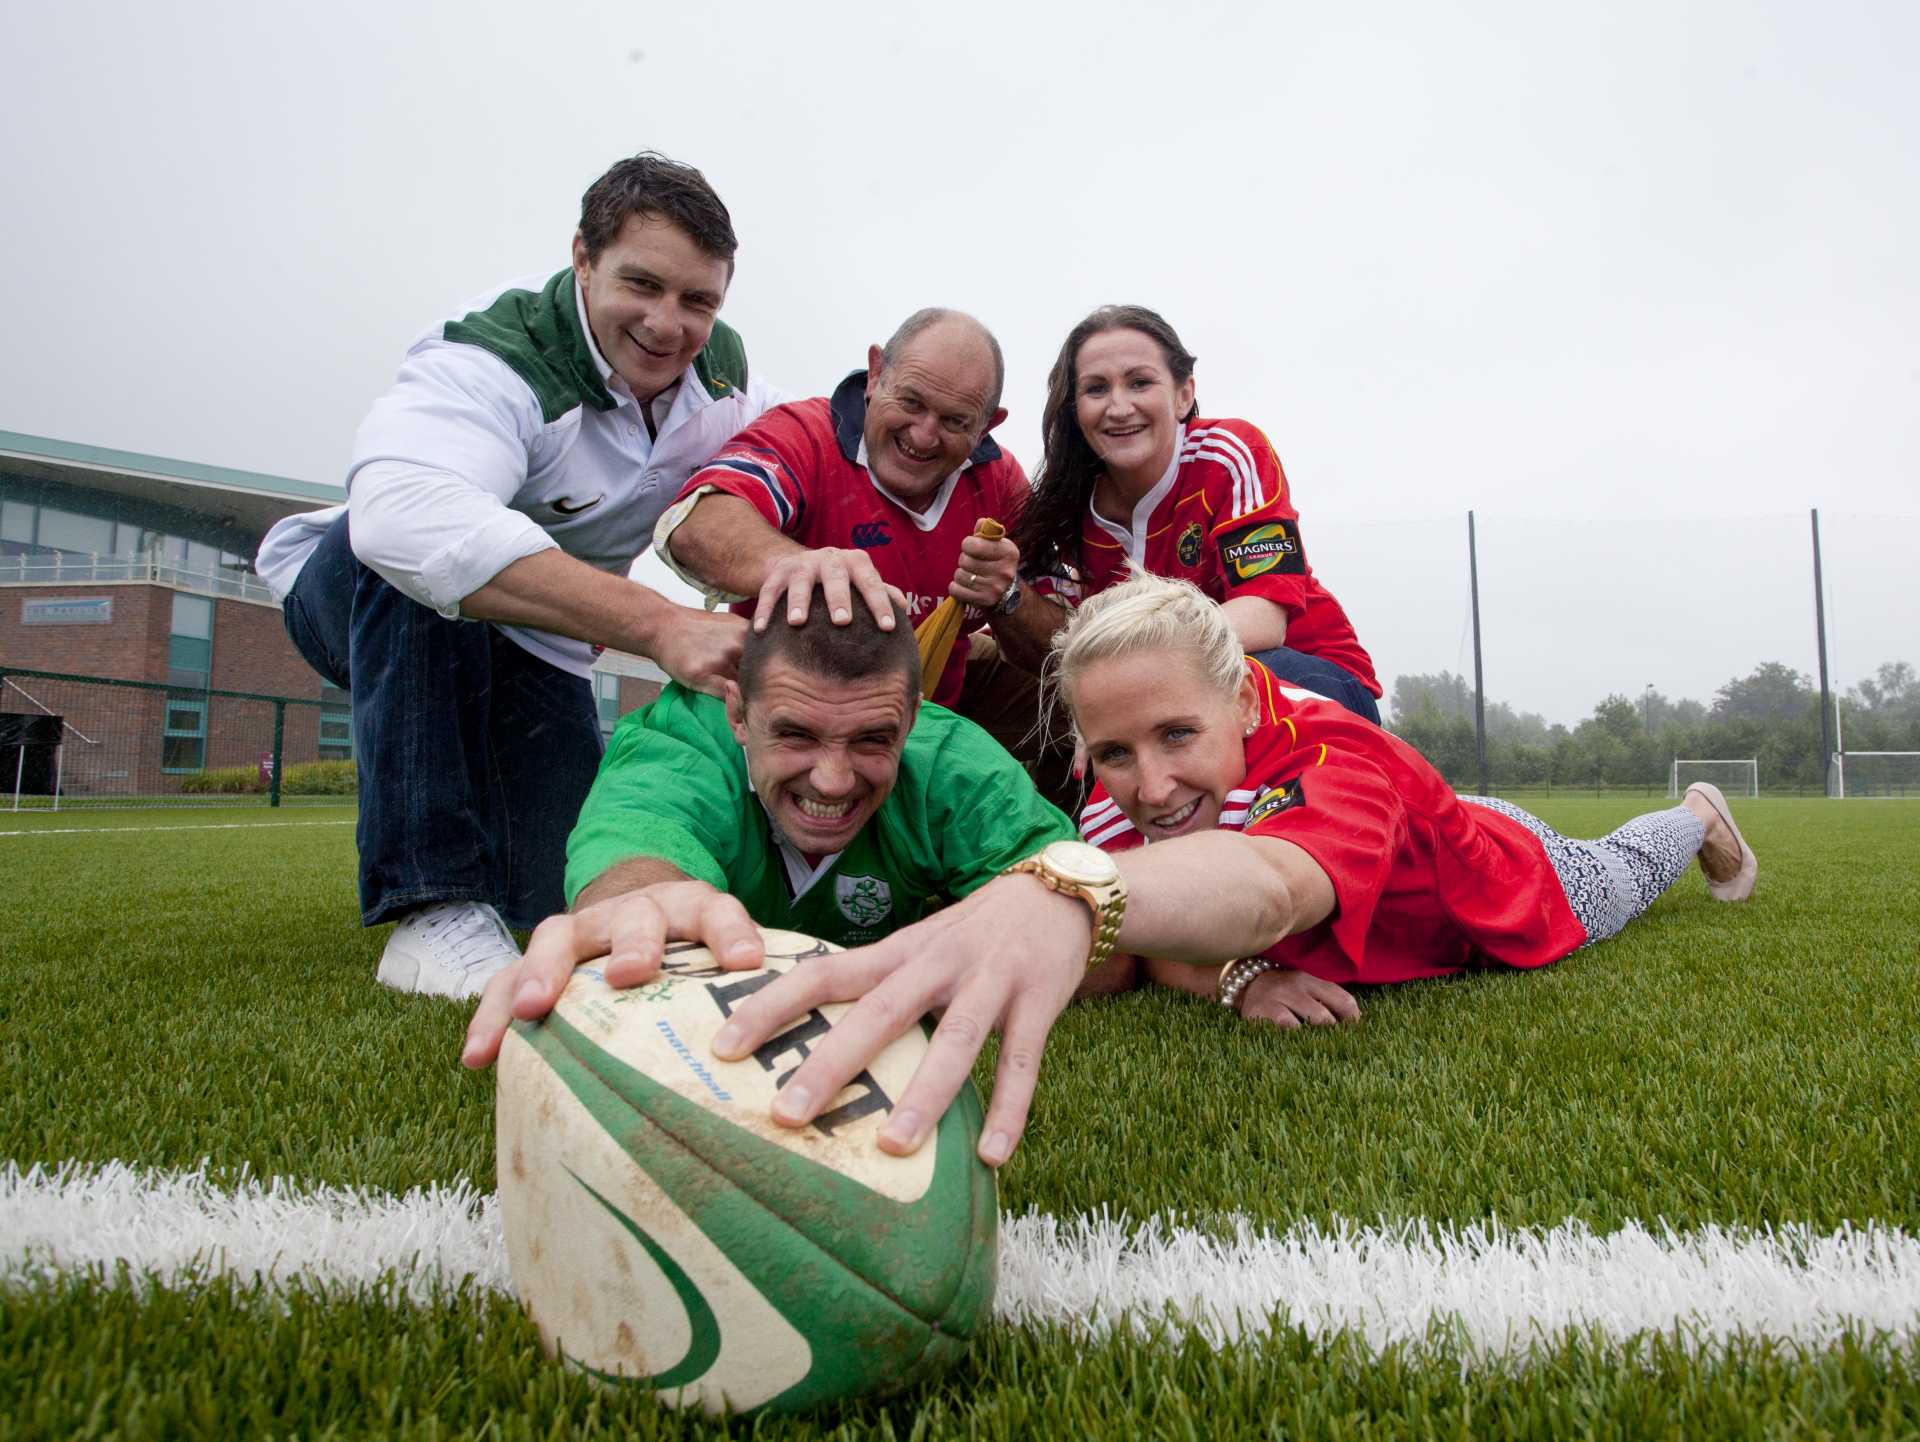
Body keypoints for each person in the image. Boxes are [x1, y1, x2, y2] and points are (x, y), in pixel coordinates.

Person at [605, 573, 1756, 1169]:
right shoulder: (1113, 790)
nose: (1146, 785)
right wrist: (1233, 980)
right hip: (1398, 873)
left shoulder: (1336, 750)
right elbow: (1159, 935)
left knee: (1624, 870)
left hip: (1500, 886)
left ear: (1241, 699)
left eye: (1177, 738)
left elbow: (1267, 888)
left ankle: (1693, 811)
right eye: (1112, 750)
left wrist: (1062, 894)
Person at [253, 153, 783, 999]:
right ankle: (430, 903)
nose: (666, 324)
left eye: (698, 300)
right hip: (355, 600)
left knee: (562, 892)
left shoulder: (725, 373)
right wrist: (661, 625)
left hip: (540, 645)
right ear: (582, 256)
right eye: (640, 284)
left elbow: (762, 486)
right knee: (410, 560)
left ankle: (500, 889)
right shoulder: (494, 351)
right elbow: (402, 512)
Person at [458, 585, 1077, 1068]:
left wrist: (971, 941)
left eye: (871, 739)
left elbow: (1094, 933)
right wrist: (639, 900)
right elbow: (636, 837)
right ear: (736, 711)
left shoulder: (953, 762)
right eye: (795, 734)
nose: (833, 781)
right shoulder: (681, 734)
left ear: (912, 718)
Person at [650, 309, 1072, 790]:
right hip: (802, 706)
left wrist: (1008, 597)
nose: (923, 435)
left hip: (932, 710)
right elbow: (695, 524)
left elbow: (1065, 640)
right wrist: (802, 567)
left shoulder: (997, 479)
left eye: (955, 421)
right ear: (875, 374)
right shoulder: (806, 434)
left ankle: (1073, 845)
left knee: (1094, 688)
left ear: (987, 426)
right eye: (911, 402)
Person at [1010, 305, 1383, 723]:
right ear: (1075, 409)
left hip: (1312, 677)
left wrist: (1129, 662)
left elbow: (1263, 619)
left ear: (1183, 395)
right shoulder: (1071, 509)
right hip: (1174, 701)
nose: (1118, 407)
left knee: (1227, 687)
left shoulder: (1230, 452)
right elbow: (1062, 643)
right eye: (1096, 389)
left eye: (1140, 383)